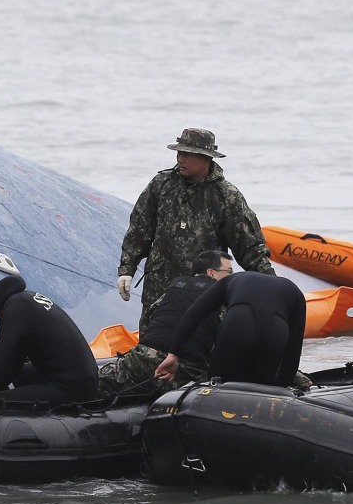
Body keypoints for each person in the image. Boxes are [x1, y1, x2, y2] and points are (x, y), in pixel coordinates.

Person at [117, 128, 274, 330]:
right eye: (179, 153)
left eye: (187, 154)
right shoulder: (161, 185)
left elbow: (249, 247)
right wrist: (126, 270)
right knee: (152, 344)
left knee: (199, 349)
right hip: (159, 290)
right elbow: (139, 231)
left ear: (205, 158)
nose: (180, 158)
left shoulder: (226, 196)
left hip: (203, 293)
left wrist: (271, 285)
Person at [0, 269, 98, 404]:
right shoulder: (22, 299)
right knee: (13, 377)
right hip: (78, 376)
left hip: (73, 387)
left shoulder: (15, 310)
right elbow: (10, 365)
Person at [98, 250, 232, 395]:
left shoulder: (175, 288)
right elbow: (225, 346)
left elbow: (148, 318)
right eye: (229, 272)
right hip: (184, 373)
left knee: (95, 384)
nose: (232, 278)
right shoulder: (224, 299)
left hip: (143, 360)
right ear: (211, 272)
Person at [155, 271, 306, 388]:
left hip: (238, 324)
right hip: (276, 331)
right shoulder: (296, 292)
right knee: (262, 389)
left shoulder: (231, 279)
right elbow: (294, 348)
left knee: (220, 385)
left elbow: (193, 314)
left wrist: (173, 355)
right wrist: (284, 386)